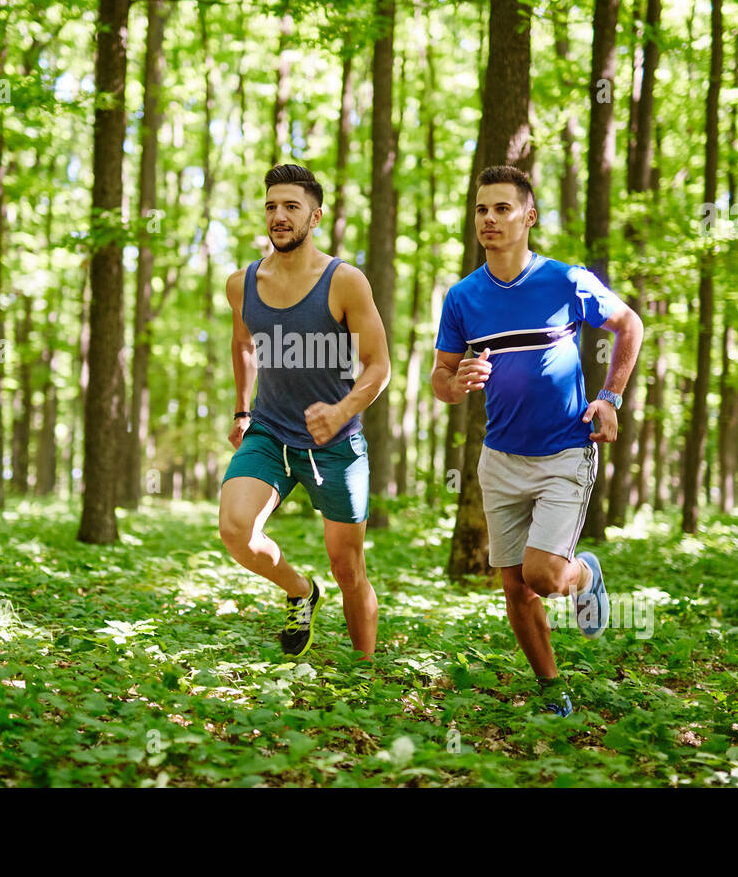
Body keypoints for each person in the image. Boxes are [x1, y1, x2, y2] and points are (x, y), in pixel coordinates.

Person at [431, 164, 644, 715]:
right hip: (499, 458)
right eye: (481, 209)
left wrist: (610, 398)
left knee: (543, 575)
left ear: (529, 217)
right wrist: (455, 384)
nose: (489, 219)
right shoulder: (462, 297)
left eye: (502, 208)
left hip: (564, 452)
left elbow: (629, 324)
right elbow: (441, 379)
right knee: (515, 589)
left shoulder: (564, 280)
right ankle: (552, 692)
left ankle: (583, 572)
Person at [219, 163, 391, 659]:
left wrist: (341, 412)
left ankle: (365, 673)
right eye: (272, 206)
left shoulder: (344, 282)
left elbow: (378, 365)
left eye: (291, 206)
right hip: (270, 432)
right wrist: (241, 410)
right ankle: (299, 590)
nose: (279, 215)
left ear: (315, 216)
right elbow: (244, 344)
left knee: (348, 569)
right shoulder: (241, 284)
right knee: (235, 528)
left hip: (336, 445)